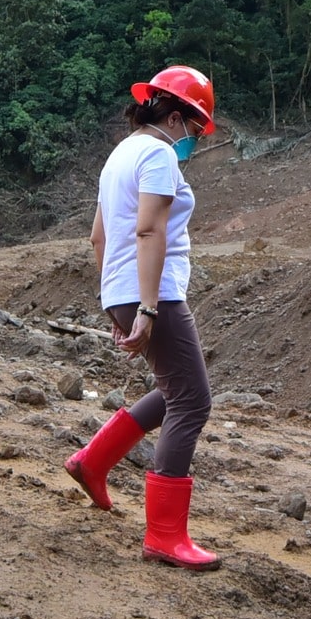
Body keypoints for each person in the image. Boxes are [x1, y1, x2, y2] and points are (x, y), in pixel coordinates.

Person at [64, 64, 221, 570]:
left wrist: (118, 300)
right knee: (193, 400)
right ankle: (165, 535)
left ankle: (93, 461)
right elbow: (149, 232)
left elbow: (98, 238)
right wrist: (149, 306)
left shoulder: (120, 154)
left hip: (122, 288)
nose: (194, 140)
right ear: (176, 118)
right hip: (153, 292)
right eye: (195, 129)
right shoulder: (156, 154)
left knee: (175, 388)